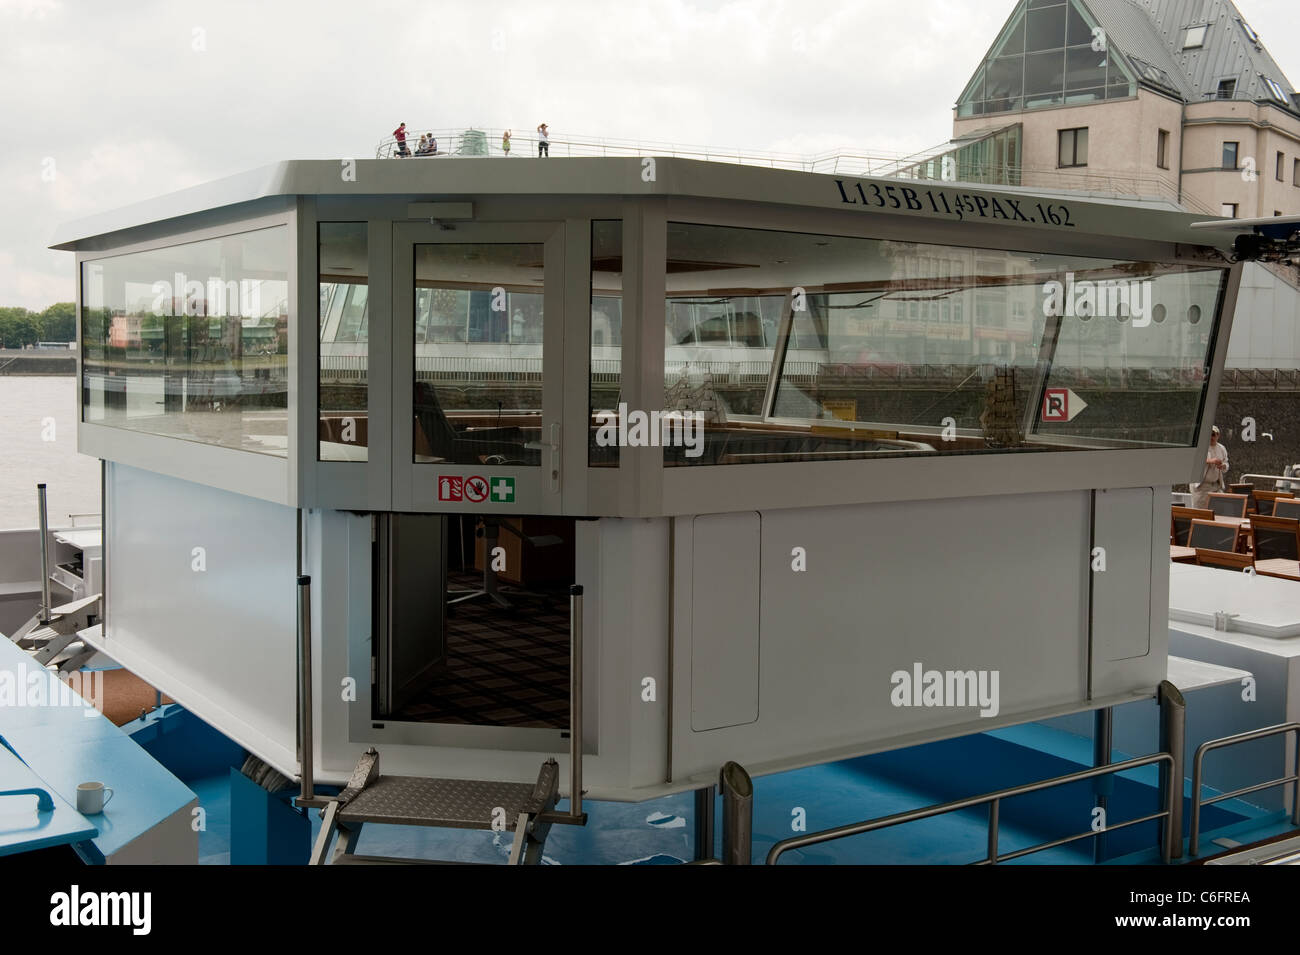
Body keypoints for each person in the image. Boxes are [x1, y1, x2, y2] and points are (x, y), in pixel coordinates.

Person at [1191, 425, 1229, 509]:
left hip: (1215, 486)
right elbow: (1194, 460)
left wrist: (1223, 466)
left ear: (1217, 436)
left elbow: (1226, 463)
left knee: (1220, 510)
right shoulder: (1200, 446)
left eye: (1213, 434)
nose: (1211, 437)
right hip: (1201, 487)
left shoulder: (1222, 448)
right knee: (1201, 513)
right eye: (1209, 434)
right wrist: (1210, 461)